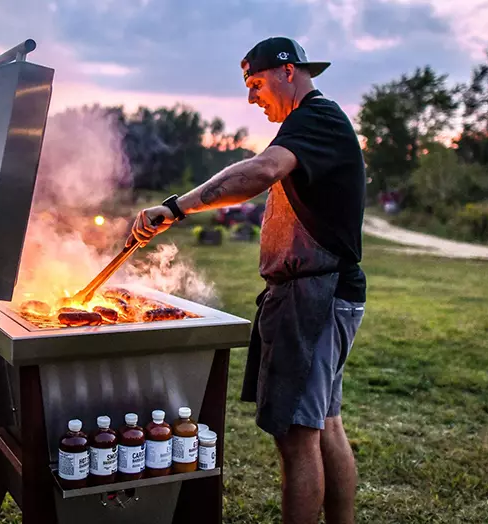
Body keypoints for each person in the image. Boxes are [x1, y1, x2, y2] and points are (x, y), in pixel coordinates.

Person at [130, 36, 367, 524]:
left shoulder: (314, 118)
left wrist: (175, 207)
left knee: (298, 437)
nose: (251, 98)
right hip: (323, 292)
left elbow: (261, 170)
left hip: (314, 297)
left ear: (287, 72)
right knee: (324, 424)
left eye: (255, 84)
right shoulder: (311, 125)